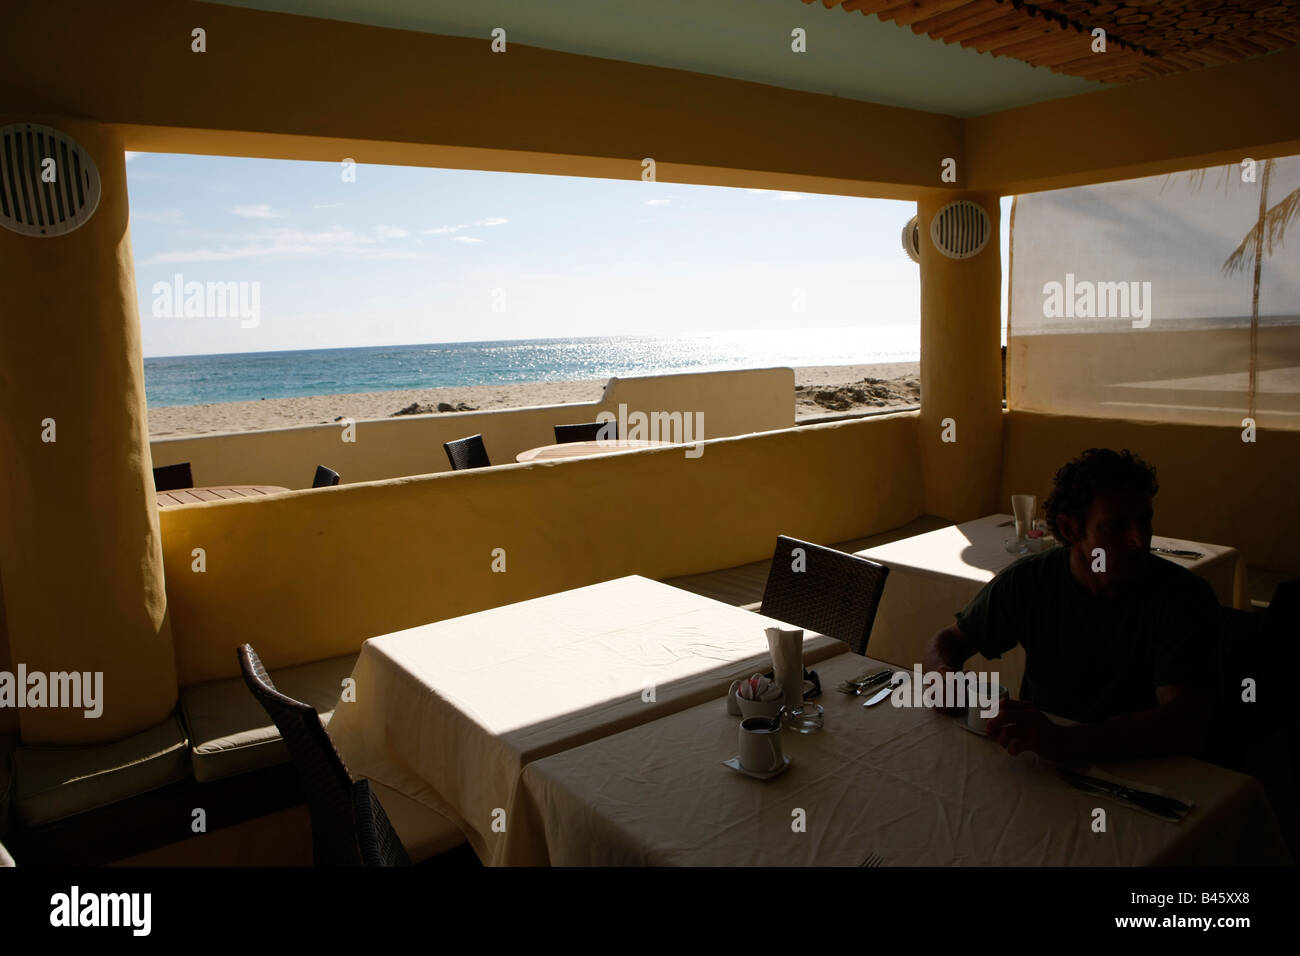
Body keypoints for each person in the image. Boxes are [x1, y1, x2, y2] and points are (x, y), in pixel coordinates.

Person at [923, 448, 1218, 761]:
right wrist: (940, 674)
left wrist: (1064, 741)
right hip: (1045, 767)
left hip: (1150, 774)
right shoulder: (1031, 580)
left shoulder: (1182, 597)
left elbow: (1183, 723)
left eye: (1145, 521)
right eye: (1117, 526)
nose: (1140, 540)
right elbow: (950, 640)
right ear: (1070, 529)